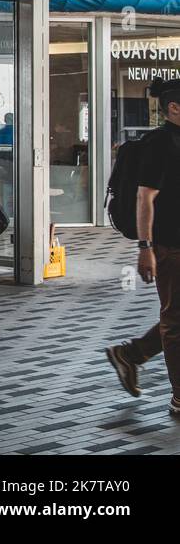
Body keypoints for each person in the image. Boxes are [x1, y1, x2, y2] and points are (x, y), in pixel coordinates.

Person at [105, 78, 180, 420]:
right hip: (170, 246)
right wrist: (145, 247)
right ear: (173, 108)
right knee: (175, 320)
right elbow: (144, 197)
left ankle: (131, 354)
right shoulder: (160, 143)